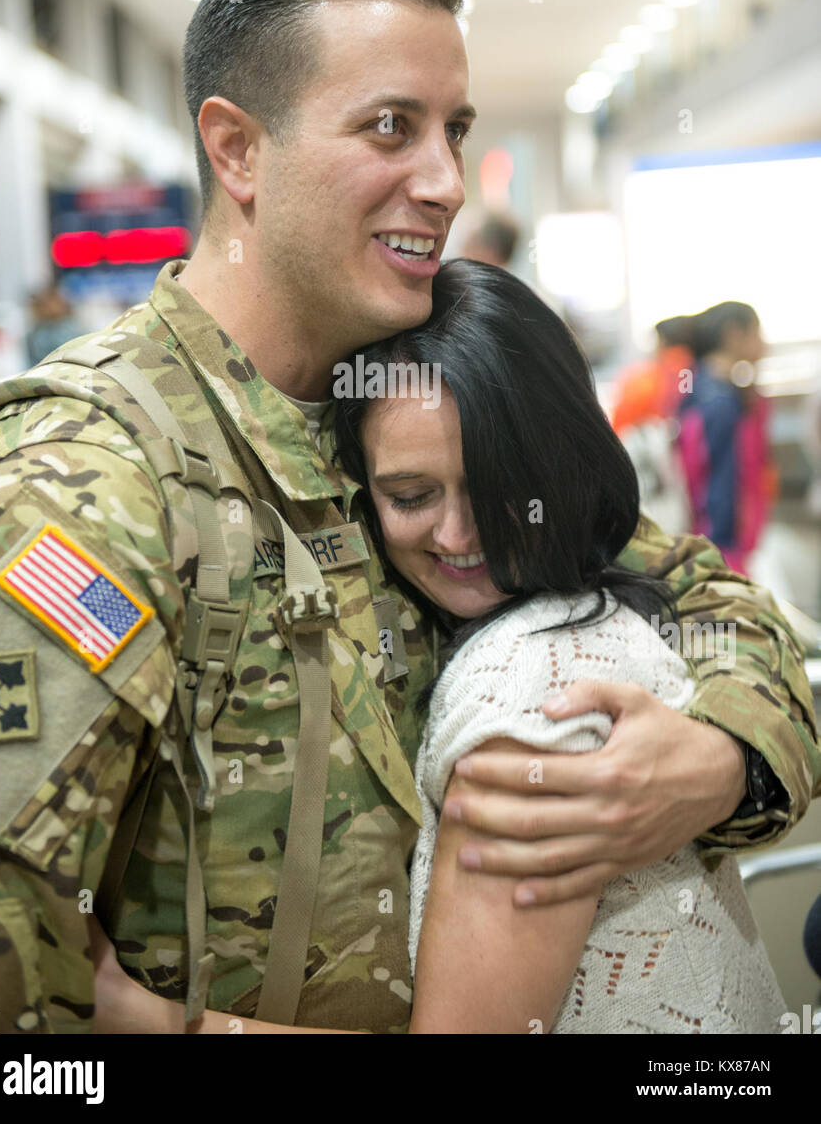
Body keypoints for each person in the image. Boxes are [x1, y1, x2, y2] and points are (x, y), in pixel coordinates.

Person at [0, 0, 816, 1036]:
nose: (446, 180)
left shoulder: (400, 411)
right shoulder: (91, 478)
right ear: (236, 150)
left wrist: (719, 759)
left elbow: (706, 597)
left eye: (451, 130)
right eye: (389, 129)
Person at [331, 260, 788, 1033]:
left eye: (492, 486)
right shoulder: (581, 609)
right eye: (410, 497)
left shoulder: (532, 697)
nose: (456, 535)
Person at [677, 301, 777, 576]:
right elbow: (720, 479)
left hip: (710, 536)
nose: (763, 343)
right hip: (723, 544)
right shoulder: (720, 402)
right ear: (734, 334)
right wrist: (721, 545)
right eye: (757, 333)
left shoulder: (699, 387)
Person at [610, 315, 695, 536]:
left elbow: (618, 430)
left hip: (650, 477)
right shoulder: (695, 373)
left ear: (662, 340)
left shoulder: (640, 379)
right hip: (688, 473)